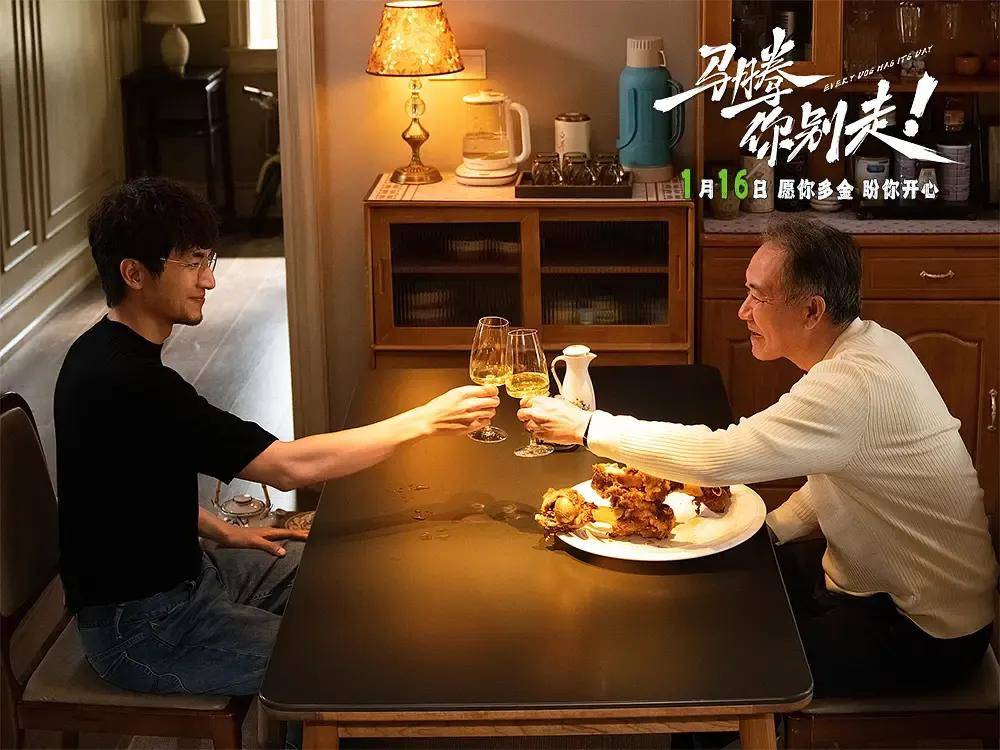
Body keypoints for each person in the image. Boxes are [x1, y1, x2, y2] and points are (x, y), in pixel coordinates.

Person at [518, 216, 997, 697]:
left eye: (758, 296)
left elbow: (718, 456)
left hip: (922, 629)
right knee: (712, 587)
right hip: (871, 588)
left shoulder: (851, 384)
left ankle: (733, 723)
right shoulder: (873, 343)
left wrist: (587, 427)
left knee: (707, 654)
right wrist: (772, 530)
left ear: (812, 310)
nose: (743, 311)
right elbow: (844, 474)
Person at [55, 178, 499, 697]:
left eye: (207, 261)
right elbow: (288, 468)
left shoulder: (99, 351)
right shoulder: (130, 382)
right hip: (144, 627)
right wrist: (424, 420)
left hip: (192, 576)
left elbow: (124, 483)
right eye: (192, 264)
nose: (208, 281)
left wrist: (222, 531)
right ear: (133, 273)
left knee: (340, 578)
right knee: (351, 661)